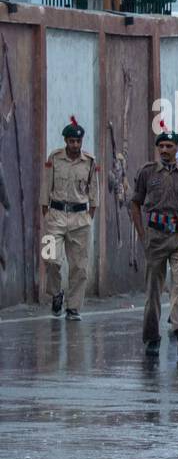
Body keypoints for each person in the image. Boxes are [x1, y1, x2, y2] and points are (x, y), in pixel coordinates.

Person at [130, 130, 178, 361]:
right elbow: (135, 203)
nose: (165, 150)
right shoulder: (147, 172)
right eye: (162, 146)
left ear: (176, 148)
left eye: (169, 146)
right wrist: (143, 235)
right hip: (156, 237)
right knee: (153, 290)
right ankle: (151, 337)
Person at [40, 117, 99, 320]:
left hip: (80, 219)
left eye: (78, 141)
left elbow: (94, 192)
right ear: (65, 140)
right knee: (50, 259)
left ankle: (73, 307)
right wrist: (46, 212)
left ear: (81, 142)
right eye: (71, 141)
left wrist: (89, 216)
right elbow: (46, 185)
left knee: (79, 267)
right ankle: (56, 294)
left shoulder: (89, 161)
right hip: (55, 217)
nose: (75, 145)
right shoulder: (54, 158)